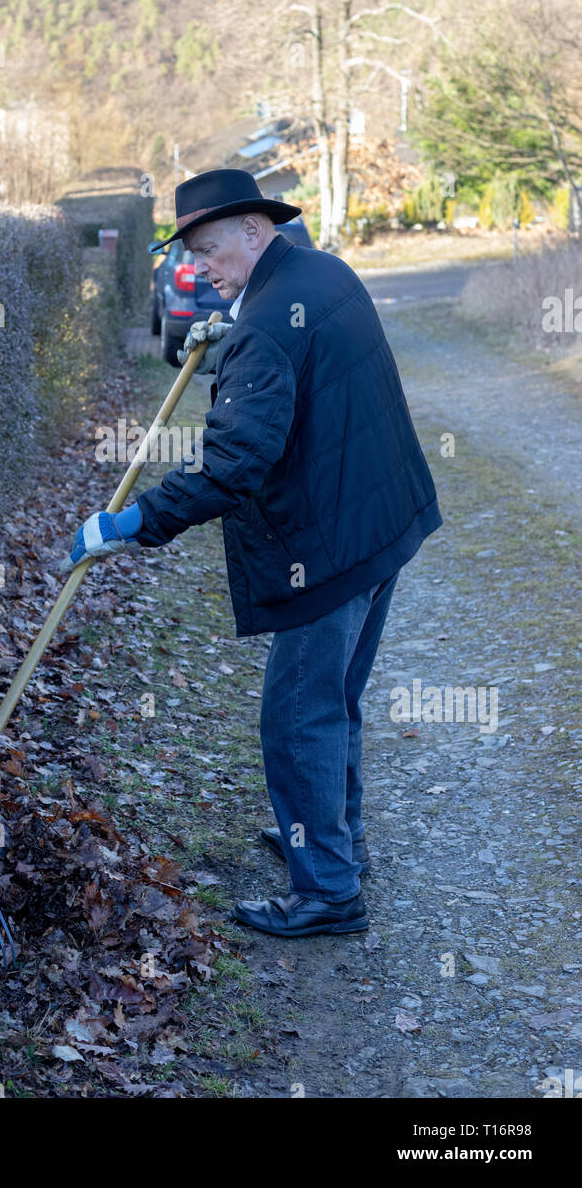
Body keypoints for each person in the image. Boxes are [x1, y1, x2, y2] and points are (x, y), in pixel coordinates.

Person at [61, 168, 442, 938]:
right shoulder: (320, 273)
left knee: (297, 717)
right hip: (383, 519)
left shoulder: (267, 325)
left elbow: (233, 463)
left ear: (255, 231)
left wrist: (134, 521)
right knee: (333, 700)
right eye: (192, 254)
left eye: (208, 249)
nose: (199, 266)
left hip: (328, 547)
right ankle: (335, 841)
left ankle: (329, 892)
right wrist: (232, 324)